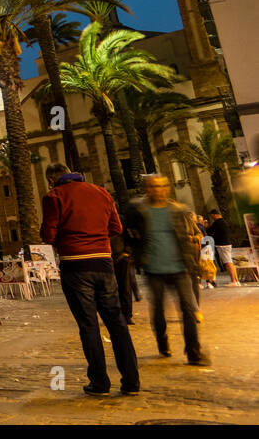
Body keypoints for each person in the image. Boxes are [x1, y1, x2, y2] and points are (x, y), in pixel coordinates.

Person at [40, 163, 140, 396]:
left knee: (88, 326)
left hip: (75, 265)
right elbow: (116, 227)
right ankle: (131, 381)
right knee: (117, 323)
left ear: (52, 179)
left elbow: (49, 234)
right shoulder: (101, 192)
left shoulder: (54, 196)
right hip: (104, 264)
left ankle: (100, 382)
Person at [124, 174, 209, 366]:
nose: (158, 190)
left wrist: (192, 263)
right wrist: (135, 255)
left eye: (162, 186)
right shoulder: (137, 210)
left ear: (167, 188)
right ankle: (162, 341)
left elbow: (188, 236)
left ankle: (194, 351)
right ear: (147, 188)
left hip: (180, 267)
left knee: (188, 309)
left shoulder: (177, 210)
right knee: (158, 310)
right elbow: (129, 234)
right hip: (154, 268)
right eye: (153, 186)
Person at [207, 209, 240, 286]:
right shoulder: (224, 222)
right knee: (230, 262)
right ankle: (236, 281)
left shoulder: (217, 222)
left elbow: (209, 232)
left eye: (212, 216)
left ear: (215, 215)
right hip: (227, 244)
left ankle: (233, 281)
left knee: (228, 263)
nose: (212, 218)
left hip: (222, 245)